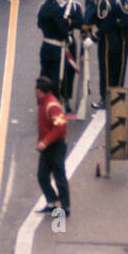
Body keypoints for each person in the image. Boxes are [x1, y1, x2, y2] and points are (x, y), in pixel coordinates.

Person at [85, 0, 128, 110]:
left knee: (115, 68)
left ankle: (111, 98)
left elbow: (124, 21)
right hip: (112, 35)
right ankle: (109, 98)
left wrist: (95, 37)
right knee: (109, 68)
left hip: (120, 36)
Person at [35, 77, 71, 218]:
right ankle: (52, 202)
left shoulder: (52, 106)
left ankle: (64, 206)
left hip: (55, 146)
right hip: (48, 146)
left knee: (59, 176)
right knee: (42, 175)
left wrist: (45, 141)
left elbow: (60, 128)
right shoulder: (44, 103)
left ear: (39, 91)